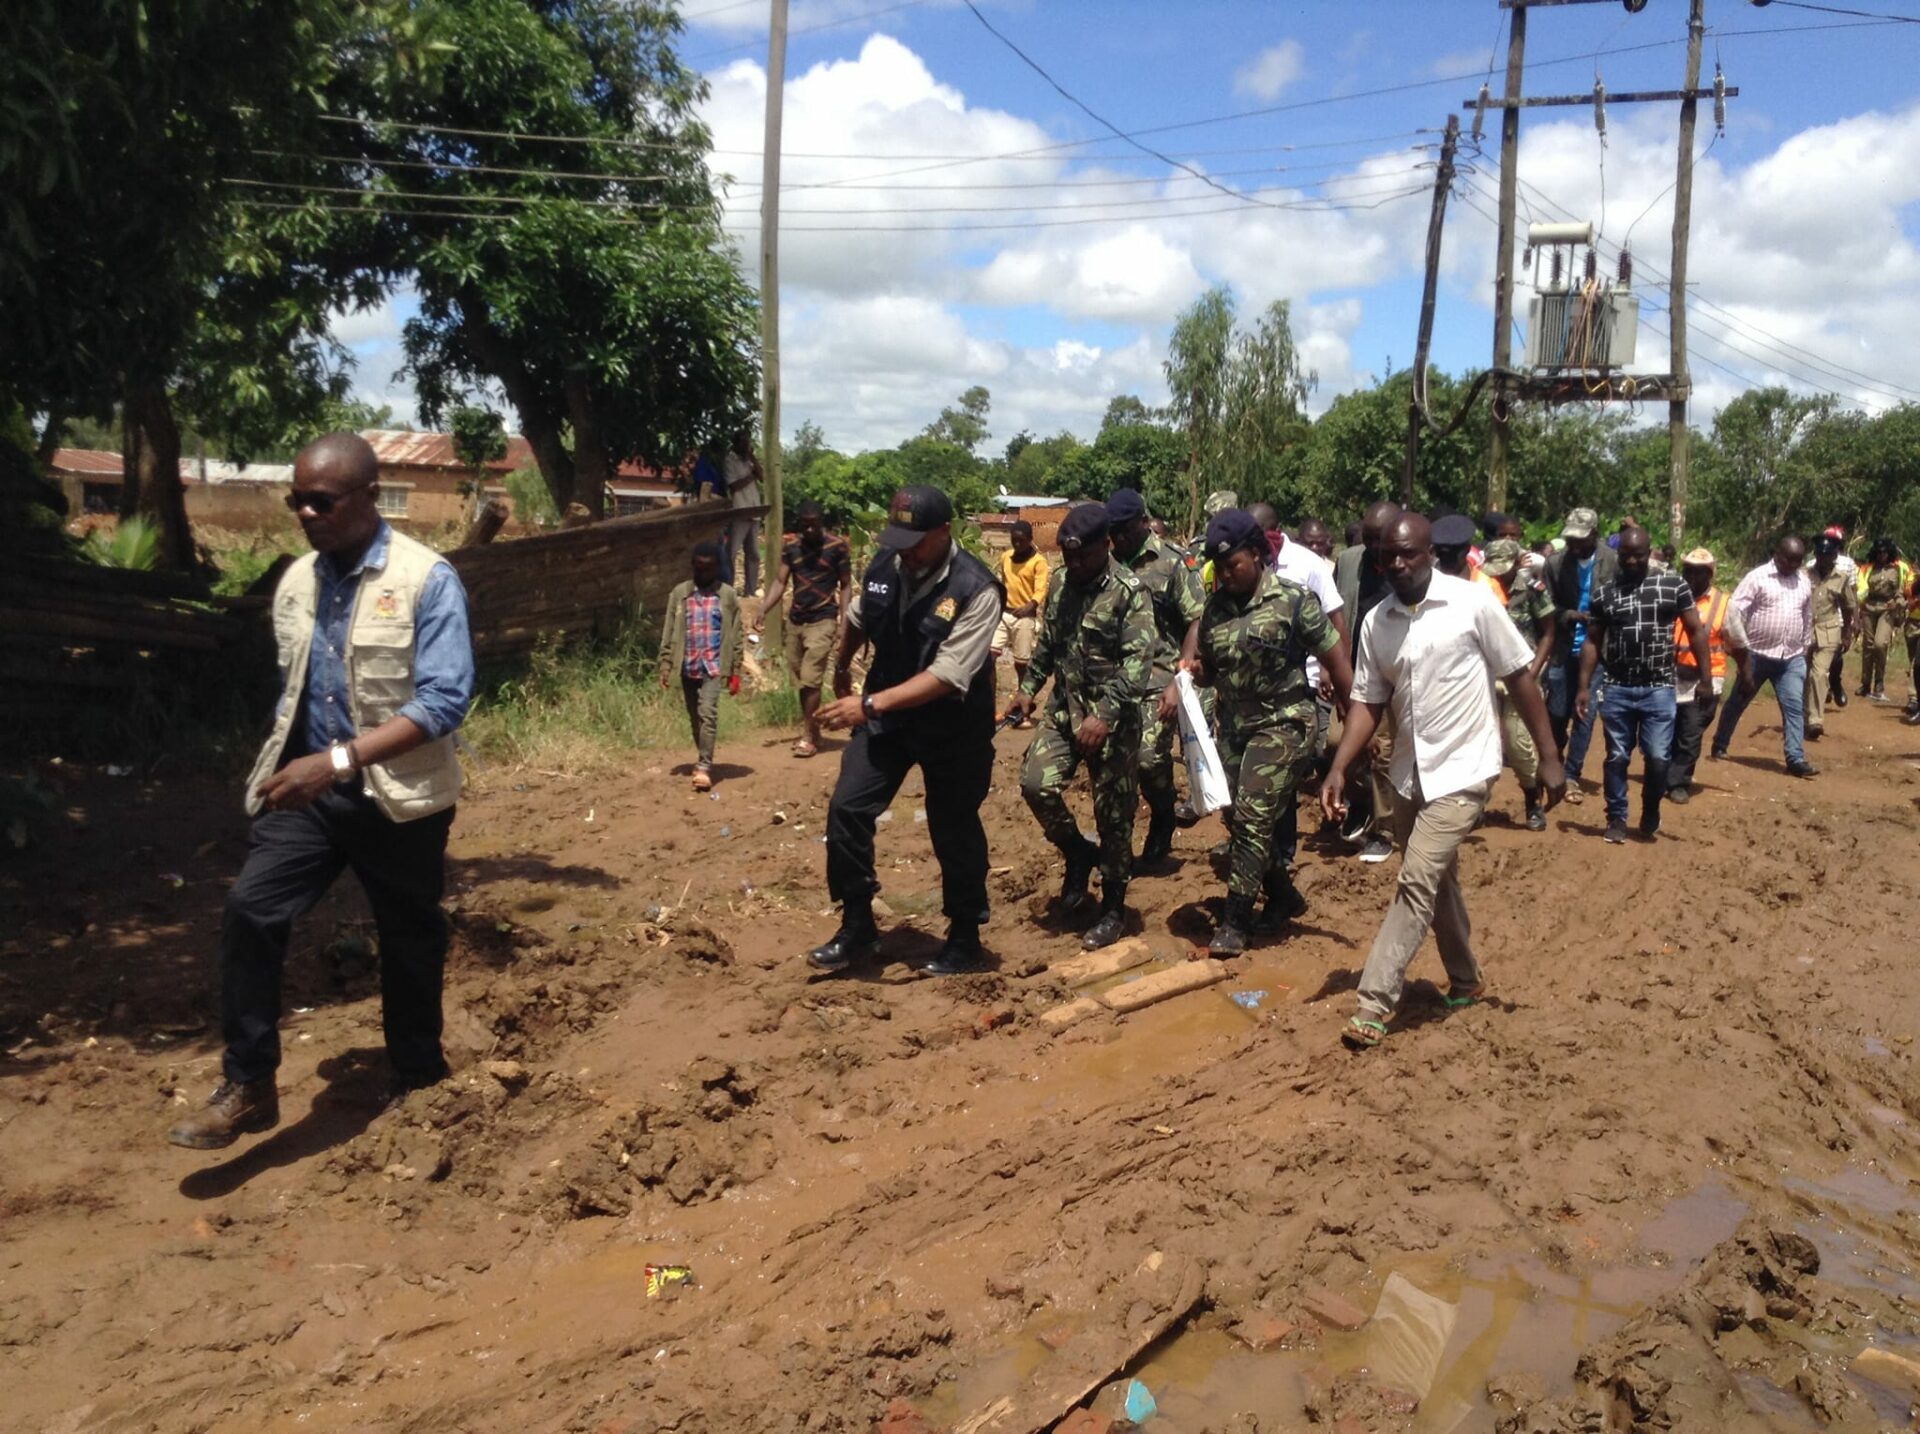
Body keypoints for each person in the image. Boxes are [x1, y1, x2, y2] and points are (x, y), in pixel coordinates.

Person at [168, 434, 475, 1149]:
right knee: (251, 909)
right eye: (297, 500)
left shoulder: (426, 579)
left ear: (369, 496)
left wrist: (336, 761)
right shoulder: (298, 582)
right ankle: (249, 1083)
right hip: (313, 796)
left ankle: (418, 1079)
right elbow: (296, 689)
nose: (307, 513)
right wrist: (304, 767)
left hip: (400, 797)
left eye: (323, 501)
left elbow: (443, 701)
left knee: (409, 935)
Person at [1321, 514, 1563, 1051]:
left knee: (1416, 879)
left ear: (1430, 552)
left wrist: (1549, 756)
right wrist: (1339, 766)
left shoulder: (1472, 603)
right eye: (1389, 556)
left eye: (1409, 553)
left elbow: (1519, 676)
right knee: (1438, 881)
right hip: (1410, 775)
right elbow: (1368, 701)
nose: (1398, 564)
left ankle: (1373, 1002)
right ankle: (1466, 978)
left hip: (1466, 769)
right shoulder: (1378, 621)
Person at [810, 486, 1004, 976]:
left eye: (915, 542)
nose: (906, 552)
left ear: (944, 532)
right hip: (888, 717)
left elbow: (948, 675)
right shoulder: (885, 566)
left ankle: (965, 938)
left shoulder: (977, 588)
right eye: (898, 541)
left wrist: (867, 704)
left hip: (953, 723)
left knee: (953, 825)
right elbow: (859, 617)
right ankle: (857, 924)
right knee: (847, 808)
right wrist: (842, 665)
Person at [1166, 509, 1351, 954]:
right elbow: (1213, 669)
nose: (1227, 574)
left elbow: (1338, 660)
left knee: (1251, 815)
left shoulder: (1293, 600)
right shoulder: (1214, 610)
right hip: (1234, 727)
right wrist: (1195, 672)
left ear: (1255, 554)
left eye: (1234, 565)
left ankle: (1236, 918)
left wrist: (1352, 728)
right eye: (1220, 568)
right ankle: (1283, 895)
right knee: (1234, 815)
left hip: (1285, 722)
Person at [1007, 504, 1155, 950]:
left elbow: (1138, 666)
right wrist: (1027, 689)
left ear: (1104, 545)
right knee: (1036, 784)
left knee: (1114, 817)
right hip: (1065, 710)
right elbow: (1049, 644)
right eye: (1067, 556)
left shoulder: (1129, 592)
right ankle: (1077, 852)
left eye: (1081, 556)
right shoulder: (1061, 584)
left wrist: (1105, 714)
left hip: (1114, 722)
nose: (1073, 564)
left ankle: (1113, 908)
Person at [1575, 527, 1714, 843]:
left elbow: (1696, 631)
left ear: (1649, 553)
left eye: (1638, 555)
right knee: (1617, 757)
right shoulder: (1605, 593)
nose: (1632, 561)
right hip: (1617, 687)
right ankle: (1616, 817)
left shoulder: (1672, 585)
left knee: (1658, 757)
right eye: (1625, 555)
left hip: (1659, 687)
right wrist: (1583, 687)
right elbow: (1592, 642)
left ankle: (1651, 807)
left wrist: (1705, 679)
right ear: (1618, 555)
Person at [1108, 488, 1205, 867]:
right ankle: (1116, 847)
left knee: (1149, 759)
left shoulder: (1174, 562)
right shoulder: (1105, 562)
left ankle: (1163, 812)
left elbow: (1196, 618)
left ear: (1143, 523)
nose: (1119, 538)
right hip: (1115, 680)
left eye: (1125, 529)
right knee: (1115, 766)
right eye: (1113, 531)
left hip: (1158, 677)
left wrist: (1180, 677)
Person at [1333, 500, 1403, 862]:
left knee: (1382, 753)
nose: (1373, 545)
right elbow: (1334, 613)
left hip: (1393, 675)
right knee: (1339, 742)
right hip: (1354, 670)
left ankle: (1385, 829)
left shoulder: (1406, 565)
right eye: (1368, 537)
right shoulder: (1349, 562)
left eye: (1380, 538)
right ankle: (1361, 806)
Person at [1712, 535, 1816, 777]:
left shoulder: (1803, 581)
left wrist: (1805, 647)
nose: (1793, 565)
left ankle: (1795, 758)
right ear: (1777, 555)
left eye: (1798, 561)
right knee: (1738, 701)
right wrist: (1738, 647)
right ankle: (1720, 743)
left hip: (1791, 658)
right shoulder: (1757, 578)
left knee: (1794, 707)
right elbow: (1735, 611)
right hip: (1756, 656)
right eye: (1789, 560)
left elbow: (1807, 615)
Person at [757, 500, 852, 758]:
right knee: (801, 680)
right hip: (796, 620)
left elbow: (845, 586)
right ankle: (814, 731)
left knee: (811, 679)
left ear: (822, 523)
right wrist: (764, 609)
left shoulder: (837, 547)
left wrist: (844, 622)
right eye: (806, 525)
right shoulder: (792, 547)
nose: (810, 530)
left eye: (814, 525)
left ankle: (808, 736)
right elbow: (780, 581)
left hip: (823, 619)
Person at [1479, 537, 1558, 829]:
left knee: (1518, 742)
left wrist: (1534, 671)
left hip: (1521, 675)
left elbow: (1548, 632)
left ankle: (1532, 799)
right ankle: (1475, 805)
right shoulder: (1481, 588)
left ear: (1516, 563)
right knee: (1482, 742)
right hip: (1487, 676)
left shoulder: (1532, 589)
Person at [1543, 507, 1618, 801]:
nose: (1574, 545)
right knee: (1556, 711)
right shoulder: (1555, 564)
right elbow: (1546, 607)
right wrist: (1569, 615)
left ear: (1594, 535)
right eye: (1570, 539)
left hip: (1598, 651)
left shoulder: (1613, 561)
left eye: (1580, 539)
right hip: (1563, 649)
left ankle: (1572, 774)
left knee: (1585, 713)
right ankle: (1554, 761)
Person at [1667, 548, 1751, 804]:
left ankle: (1678, 782)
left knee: (1690, 733)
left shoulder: (1723, 605)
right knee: (1667, 730)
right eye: (1688, 571)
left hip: (1705, 681)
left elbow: (1738, 644)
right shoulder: (1671, 598)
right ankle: (1667, 773)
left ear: (1710, 574)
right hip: (1670, 677)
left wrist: (1746, 675)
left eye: (1700, 572)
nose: (1693, 577)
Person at [660, 541, 744, 792]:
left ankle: (704, 766)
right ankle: (703, 755)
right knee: (695, 716)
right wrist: (665, 664)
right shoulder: (680, 594)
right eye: (699, 568)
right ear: (692, 566)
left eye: (708, 568)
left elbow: (736, 634)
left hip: (713, 666)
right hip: (687, 664)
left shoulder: (727, 596)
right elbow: (668, 631)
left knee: (708, 713)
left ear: (716, 568)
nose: (703, 573)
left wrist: (736, 671)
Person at [1804, 532, 1857, 743]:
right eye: (1819, 554)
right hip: (1804, 630)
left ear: (1834, 556)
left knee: (1818, 673)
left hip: (1829, 629)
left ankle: (1815, 721)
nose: (1822, 559)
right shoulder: (1804, 575)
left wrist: (1847, 633)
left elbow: (1848, 607)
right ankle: (1803, 717)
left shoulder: (1841, 578)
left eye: (1827, 555)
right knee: (1803, 674)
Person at [994, 520, 1050, 713]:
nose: (1017, 544)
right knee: (989, 655)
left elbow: (1040, 590)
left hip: (1025, 617)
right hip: (1005, 614)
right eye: (1014, 540)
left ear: (1030, 540)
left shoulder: (1038, 562)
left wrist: (1029, 606)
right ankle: (988, 701)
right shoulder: (1005, 557)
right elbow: (1003, 582)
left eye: (1021, 540)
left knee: (1021, 663)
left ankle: (1023, 700)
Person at [1856, 537, 1910, 701]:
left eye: (1885, 552)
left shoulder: (1898, 569)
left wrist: (1898, 603)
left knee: (1880, 644)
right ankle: (1865, 684)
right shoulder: (1868, 568)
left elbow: (1903, 591)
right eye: (1879, 552)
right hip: (1869, 607)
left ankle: (1879, 683)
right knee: (1868, 645)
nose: (1882, 555)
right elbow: (1861, 587)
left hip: (1887, 609)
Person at [723, 429, 764, 596]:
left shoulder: (749, 461)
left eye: (748, 442)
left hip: (754, 510)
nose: (747, 445)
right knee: (731, 552)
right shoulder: (730, 460)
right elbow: (734, 486)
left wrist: (753, 458)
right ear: (736, 443)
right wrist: (751, 477)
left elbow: (762, 476)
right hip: (740, 510)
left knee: (754, 553)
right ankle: (728, 590)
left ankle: (750, 591)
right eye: (744, 442)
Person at [1824, 526, 1857, 708]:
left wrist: (1855, 620)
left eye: (1834, 542)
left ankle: (1835, 682)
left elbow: (1853, 593)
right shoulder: (1812, 562)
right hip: (1821, 615)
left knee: (1836, 655)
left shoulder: (1847, 563)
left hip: (1841, 616)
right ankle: (1824, 688)